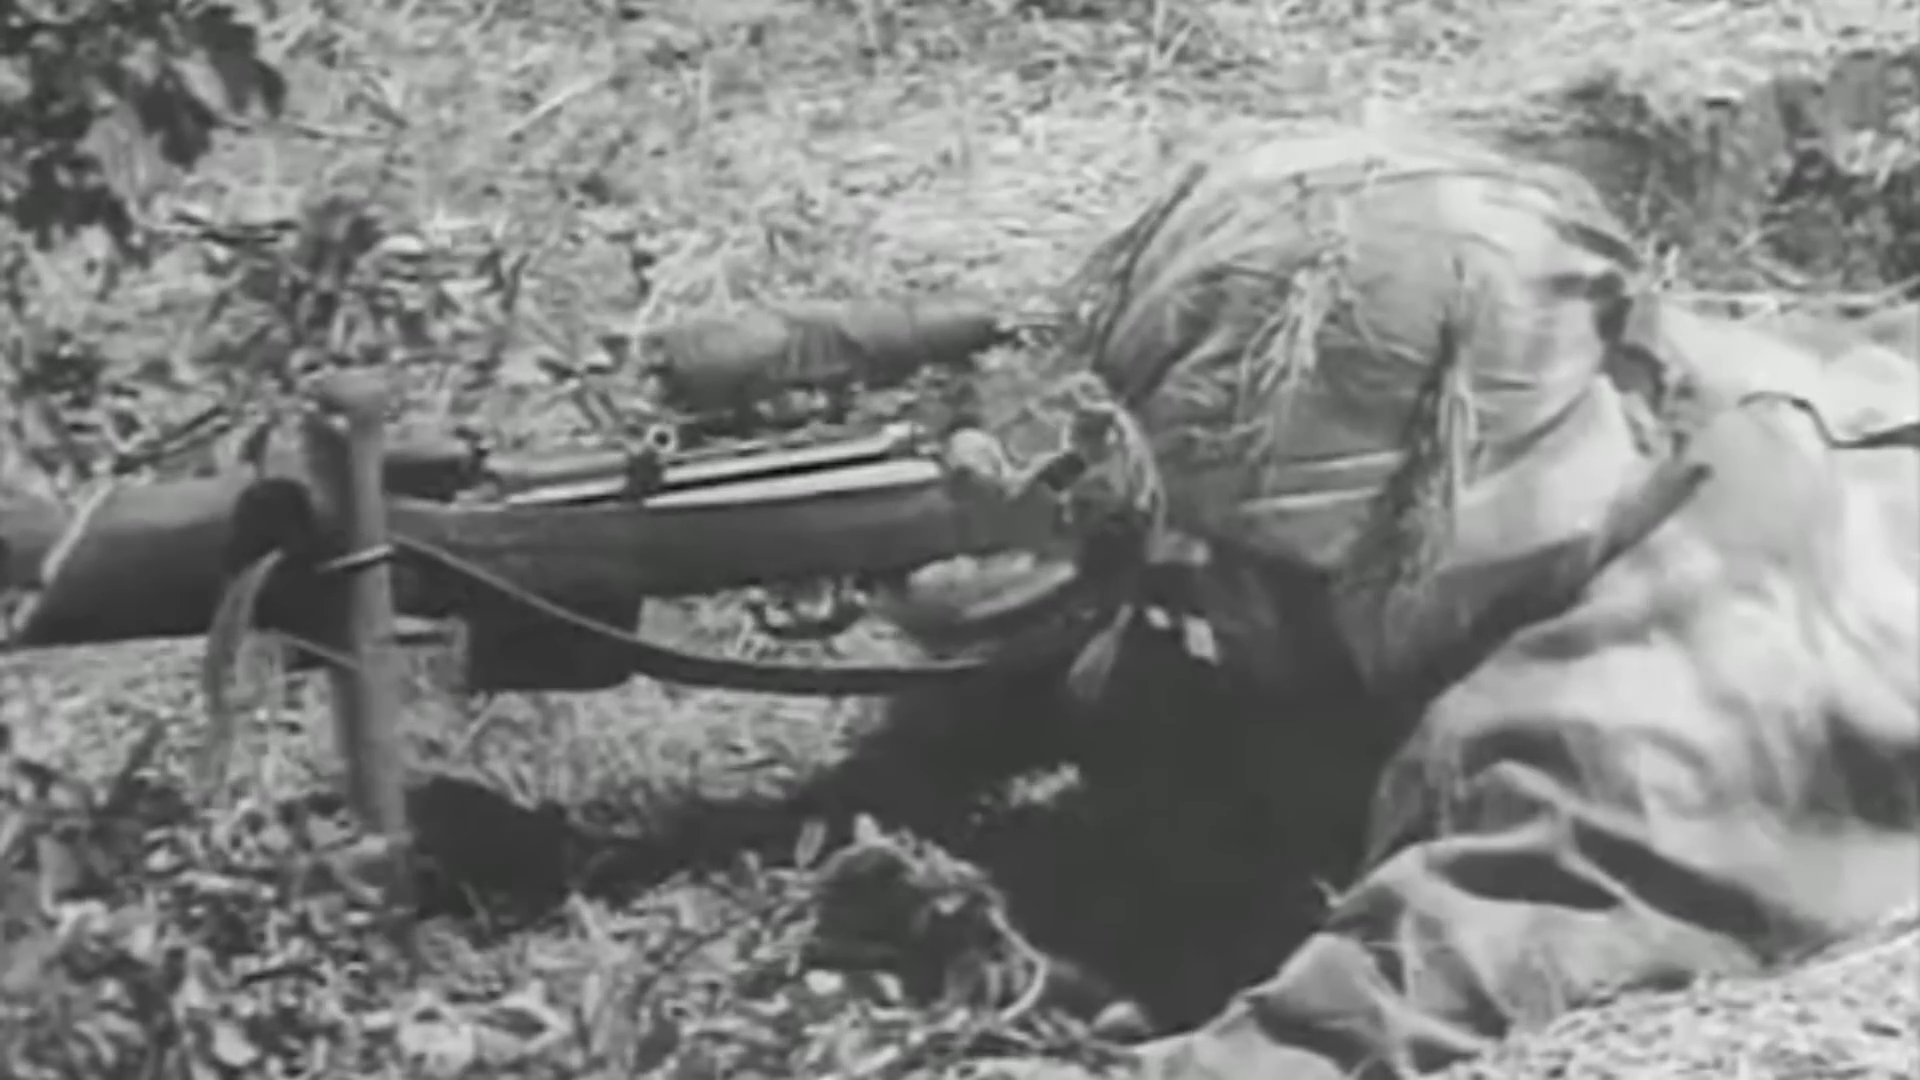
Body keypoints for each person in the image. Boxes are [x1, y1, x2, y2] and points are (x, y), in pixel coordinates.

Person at [911, 123, 1920, 1079]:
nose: (1217, 605)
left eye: (1270, 566)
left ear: (1453, 507)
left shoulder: (1625, 759)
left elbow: (1333, 1044)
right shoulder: (1603, 373)